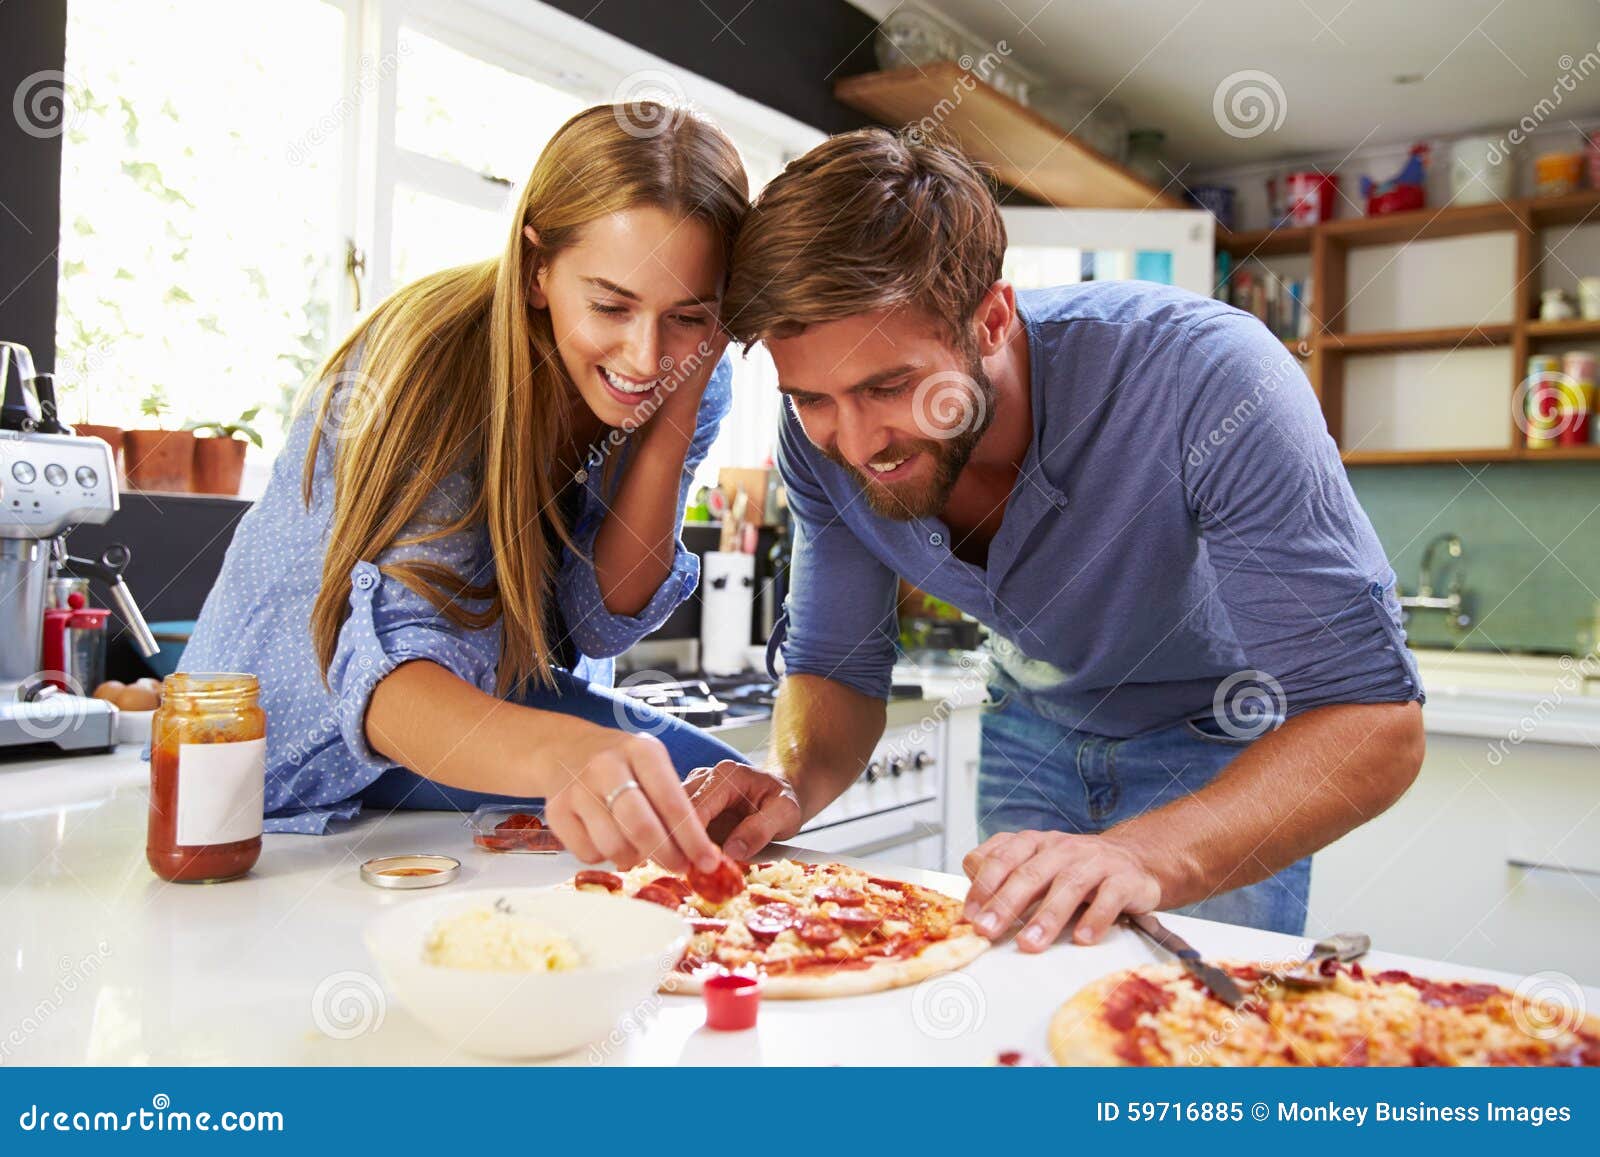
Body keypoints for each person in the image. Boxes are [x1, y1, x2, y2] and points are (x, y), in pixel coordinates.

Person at [688, 128, 1425, 944]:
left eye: (890, 386)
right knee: (1019, 1024)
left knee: (1186, 1049)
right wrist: (788, 780)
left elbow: (1374, 722)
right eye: (812, 397)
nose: (856, 442)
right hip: (1030, 729)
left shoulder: (1209, 379)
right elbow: (835, 667)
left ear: (993, 317)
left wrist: (1144, 855)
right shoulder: (818, 442)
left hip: (1221, 747)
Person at [182, 103, 746, 874]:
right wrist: (565, 754)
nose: (647, 356)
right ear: (538, 268)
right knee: (674, 806)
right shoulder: (429, 368)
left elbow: (602, 619)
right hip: (277, 761)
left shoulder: (686, 374)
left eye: (687, 315)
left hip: (474, 727)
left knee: (725, 805)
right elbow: (386, 686)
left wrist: (677, 404)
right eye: (611, 305)